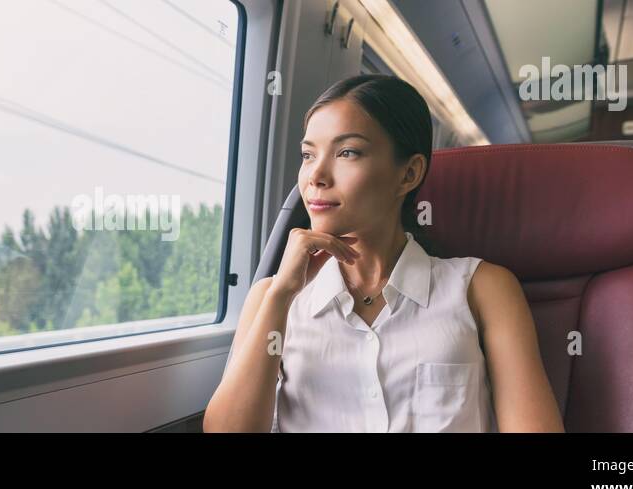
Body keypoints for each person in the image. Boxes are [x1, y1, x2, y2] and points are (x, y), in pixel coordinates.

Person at [204, 75, 564, 432]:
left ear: (408, 174)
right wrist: (282, 295)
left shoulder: (482, 288)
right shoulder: (272, 297)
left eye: (347, 152)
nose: (315, 175)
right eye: (308, 154)